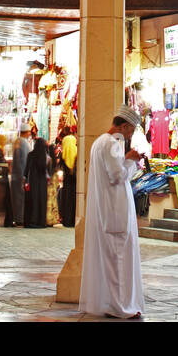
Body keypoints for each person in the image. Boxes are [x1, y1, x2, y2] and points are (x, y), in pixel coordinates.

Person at [80, 106, 145, 318]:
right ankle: (119, 307)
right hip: (115, 212)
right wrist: (132, 158)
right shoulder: (111, 144)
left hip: (109, 211)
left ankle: (113, 304)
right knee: (118, 260)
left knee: (113, 259)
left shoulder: (100, 142)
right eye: (131, 131)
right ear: (124, 126)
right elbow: (117, 175)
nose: (130, 135)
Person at [10, 122, 32, 227]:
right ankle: (20, 218)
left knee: (17, 197)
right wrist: (25, 175)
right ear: (26, 132)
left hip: (16, 175)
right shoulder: (23, 143)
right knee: (20, 197)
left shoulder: (18, 142)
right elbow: (24, 160)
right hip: (20, 175)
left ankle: (18, 218)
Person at [25, 136, 50, 228]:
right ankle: (41, 221)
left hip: (33, 180)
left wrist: (25, 179)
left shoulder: (31, 155)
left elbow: (27, 169)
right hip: (42, 181)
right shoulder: (45, 156)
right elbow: (47, 170)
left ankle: (33, 220)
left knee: (33, 200)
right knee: (42, 200)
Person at [59, 127, 78, 227]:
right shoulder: (77, 153)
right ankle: (73, 220)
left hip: (67, 184)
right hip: (75, 184)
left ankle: (66, 220)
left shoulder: (64, 154)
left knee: (66, 200)